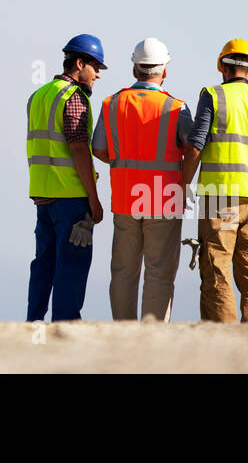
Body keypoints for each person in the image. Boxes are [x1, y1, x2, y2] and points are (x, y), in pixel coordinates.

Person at [93, 37, 192, 320]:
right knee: (159, 272)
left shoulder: (112, 103)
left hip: (126, 199)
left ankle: (124, 329)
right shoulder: (177, 108)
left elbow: (99, 148)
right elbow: (192, 148)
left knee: (123, 270)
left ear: (135, 70)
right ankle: (152, 331)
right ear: (164, 71)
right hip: (163, 200)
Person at [182, 38, 248, 322]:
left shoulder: (213, 95)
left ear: (222, 67)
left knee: (217, 267)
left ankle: (225, 334)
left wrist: (185, 183)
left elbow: (196, 144)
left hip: (220, 199)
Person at [26, 33, 106, 322]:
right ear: (80, 63)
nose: (97, 74)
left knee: (43, 265)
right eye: (95, 67)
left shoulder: (39, 95)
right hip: (70, 199)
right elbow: (78, 149)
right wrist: (94, 199)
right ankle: (66, 325)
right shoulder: (74, 98)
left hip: (43, 196)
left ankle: (33, 321)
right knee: (72, 265)